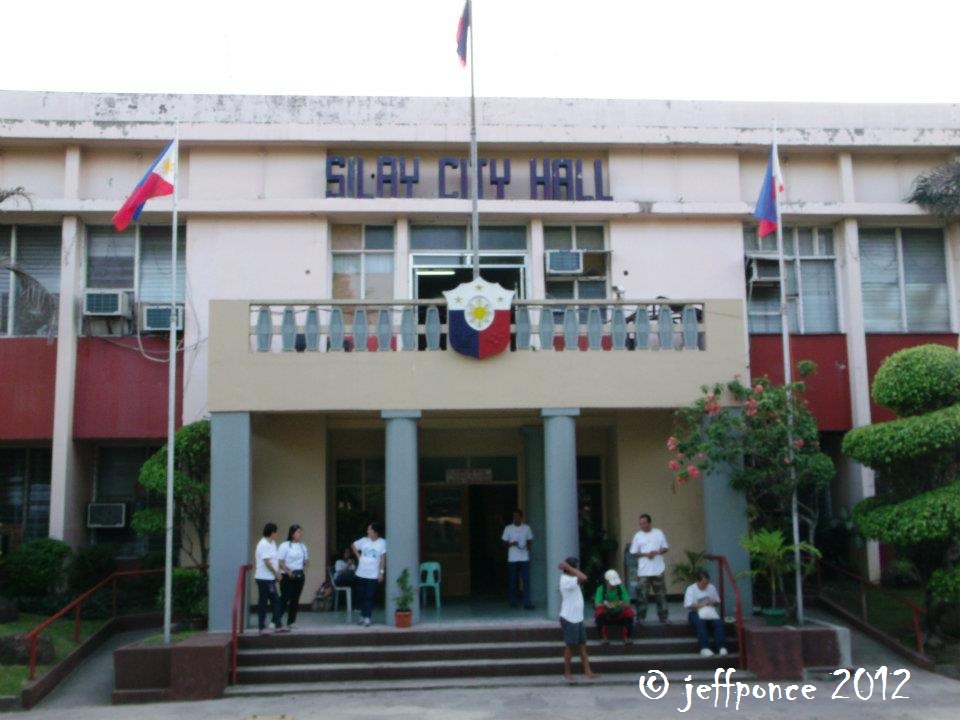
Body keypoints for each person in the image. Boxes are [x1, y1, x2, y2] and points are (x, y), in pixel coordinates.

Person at [558, 557, 596, 684]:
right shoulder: (565, 580)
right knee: (570, 647)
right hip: (569, 618)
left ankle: (587, 671)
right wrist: (569, 568)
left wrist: (570, 568)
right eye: (575, 567)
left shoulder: (572, 578)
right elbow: (584, 577)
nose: (577, 569)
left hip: (578, 618)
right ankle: (567, 672)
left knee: (582, 646)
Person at [629, 513, 670, 623]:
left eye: (644, 523)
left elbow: (665, 548)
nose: (642, 525)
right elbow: (633, 552)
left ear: (649, 523)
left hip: (658, 570)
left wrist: (657, 552)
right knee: (642, 596)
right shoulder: (638, 535)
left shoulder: (658, 533)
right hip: (643, 572)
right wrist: (645, 554)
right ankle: (641, 618)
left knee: (661, 595)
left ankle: (664, 618)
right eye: (640, 524)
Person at [684, 570, 728, 657]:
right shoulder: (691, 589)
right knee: (700, 623)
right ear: (697, 581)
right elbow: (688, 605)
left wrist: (712, 602)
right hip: (695, 612)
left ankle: (721, 646)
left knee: (718, 623)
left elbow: (717, 601)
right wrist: (702, 605)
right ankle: (704, 648)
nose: (705, 585)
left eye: (707, 583)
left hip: (710, 612)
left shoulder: (711, 588)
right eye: (703, 583)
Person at [352, 521, 386, 627]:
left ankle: (367, 617)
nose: (367, 531)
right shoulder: (363, 540)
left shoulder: (382, 542)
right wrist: (358, 556)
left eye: (369, 529)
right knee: (361, 596)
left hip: (373, 575)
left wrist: (381, 572)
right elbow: (353, 545)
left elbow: (383, 559)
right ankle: (362, 616)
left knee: (369, 596)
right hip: (361, 573)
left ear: (375, 532)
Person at [254, 522, 286, 634]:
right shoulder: (263, 544)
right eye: (276, 532)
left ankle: (278, 625)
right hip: (263, 578)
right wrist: (276, 573)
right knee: (263, 602)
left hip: (270, 579)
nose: (277, 534)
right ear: (272, 533)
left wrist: (279, 572)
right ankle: (261, 627)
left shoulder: (272, 543)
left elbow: (274, 560)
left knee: (276, 601)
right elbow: (267, 562)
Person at [278, 523, 309, 629]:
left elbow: (306, 560)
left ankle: (291, 621)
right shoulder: (285, 545)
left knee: (295, 599)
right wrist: (288, 572)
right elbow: (280, 561)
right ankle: (276, 619)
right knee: (285, 597)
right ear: (292, 533)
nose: (300, 534)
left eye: (301, 532)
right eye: (298, 532)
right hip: (287, 575)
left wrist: (304, 568)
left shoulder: (302, 546)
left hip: (299, 575)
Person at [502, 509, 534, 609]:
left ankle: (527, 602)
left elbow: (530, 540)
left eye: (517, 516)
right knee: (513, 580)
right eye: (514, 516)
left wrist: (529, 548)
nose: (515, 518)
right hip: (512, 559)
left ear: (521, 517)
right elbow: (504, 543)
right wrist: (511, 543)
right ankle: (513, 601)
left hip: (524, 558)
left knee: (526, 580)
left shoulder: (527, 528)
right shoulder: (508, 528)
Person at [593, 569, 635, 644]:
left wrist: (620, 603)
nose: (614, 585)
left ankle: (627, 637)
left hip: (619, 614)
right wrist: (605, 604)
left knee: (629, 612)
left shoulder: (621, 588)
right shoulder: (601, 589)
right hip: (606, 615)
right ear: (607, 581)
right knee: (599, 612)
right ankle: (603, 638)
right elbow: (596, 605)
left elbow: (628, 603)